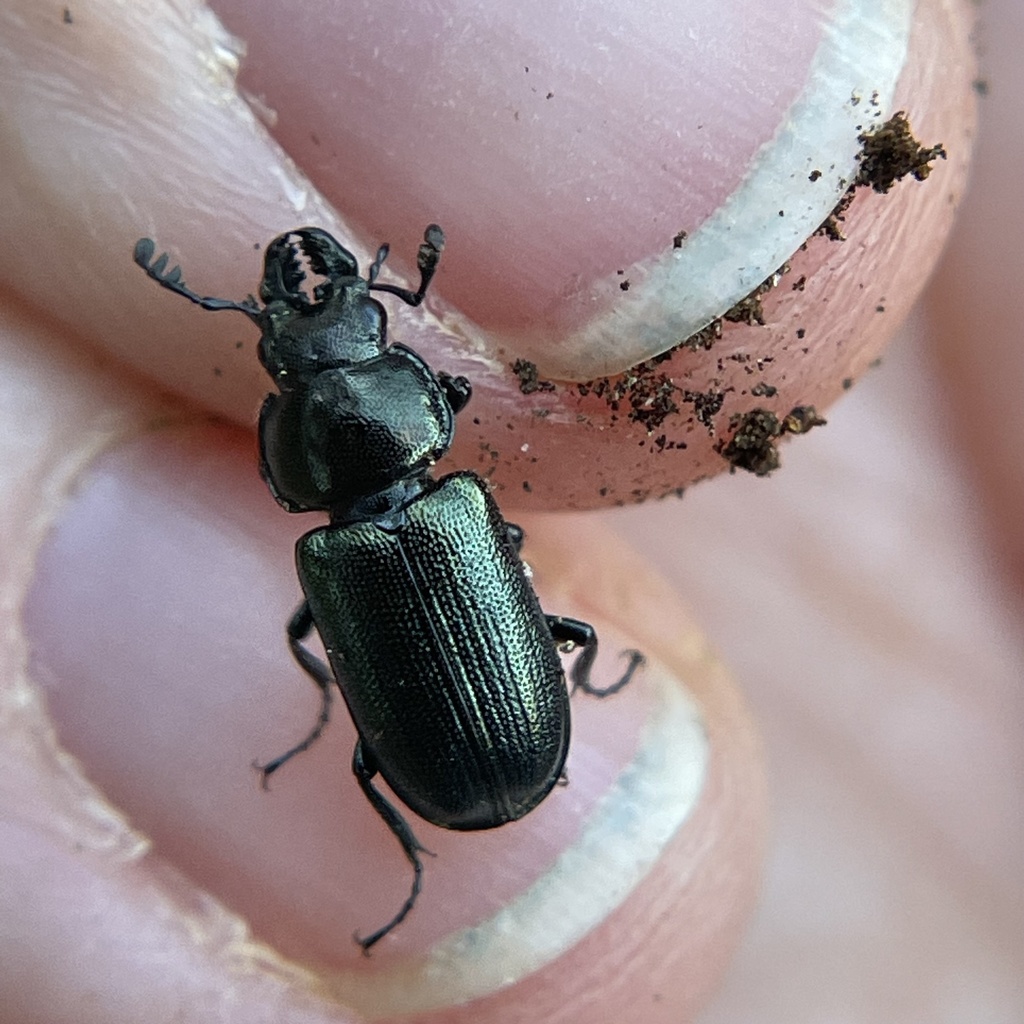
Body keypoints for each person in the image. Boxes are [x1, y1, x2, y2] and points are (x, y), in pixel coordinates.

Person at [2, 1, 1020, 1021]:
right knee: (532, 624)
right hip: (505, 737)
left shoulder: (338, 551)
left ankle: (389, 824)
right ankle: (434, 810)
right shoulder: (456, 500)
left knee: (351, 709)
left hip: (456, 757)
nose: (317, 326)